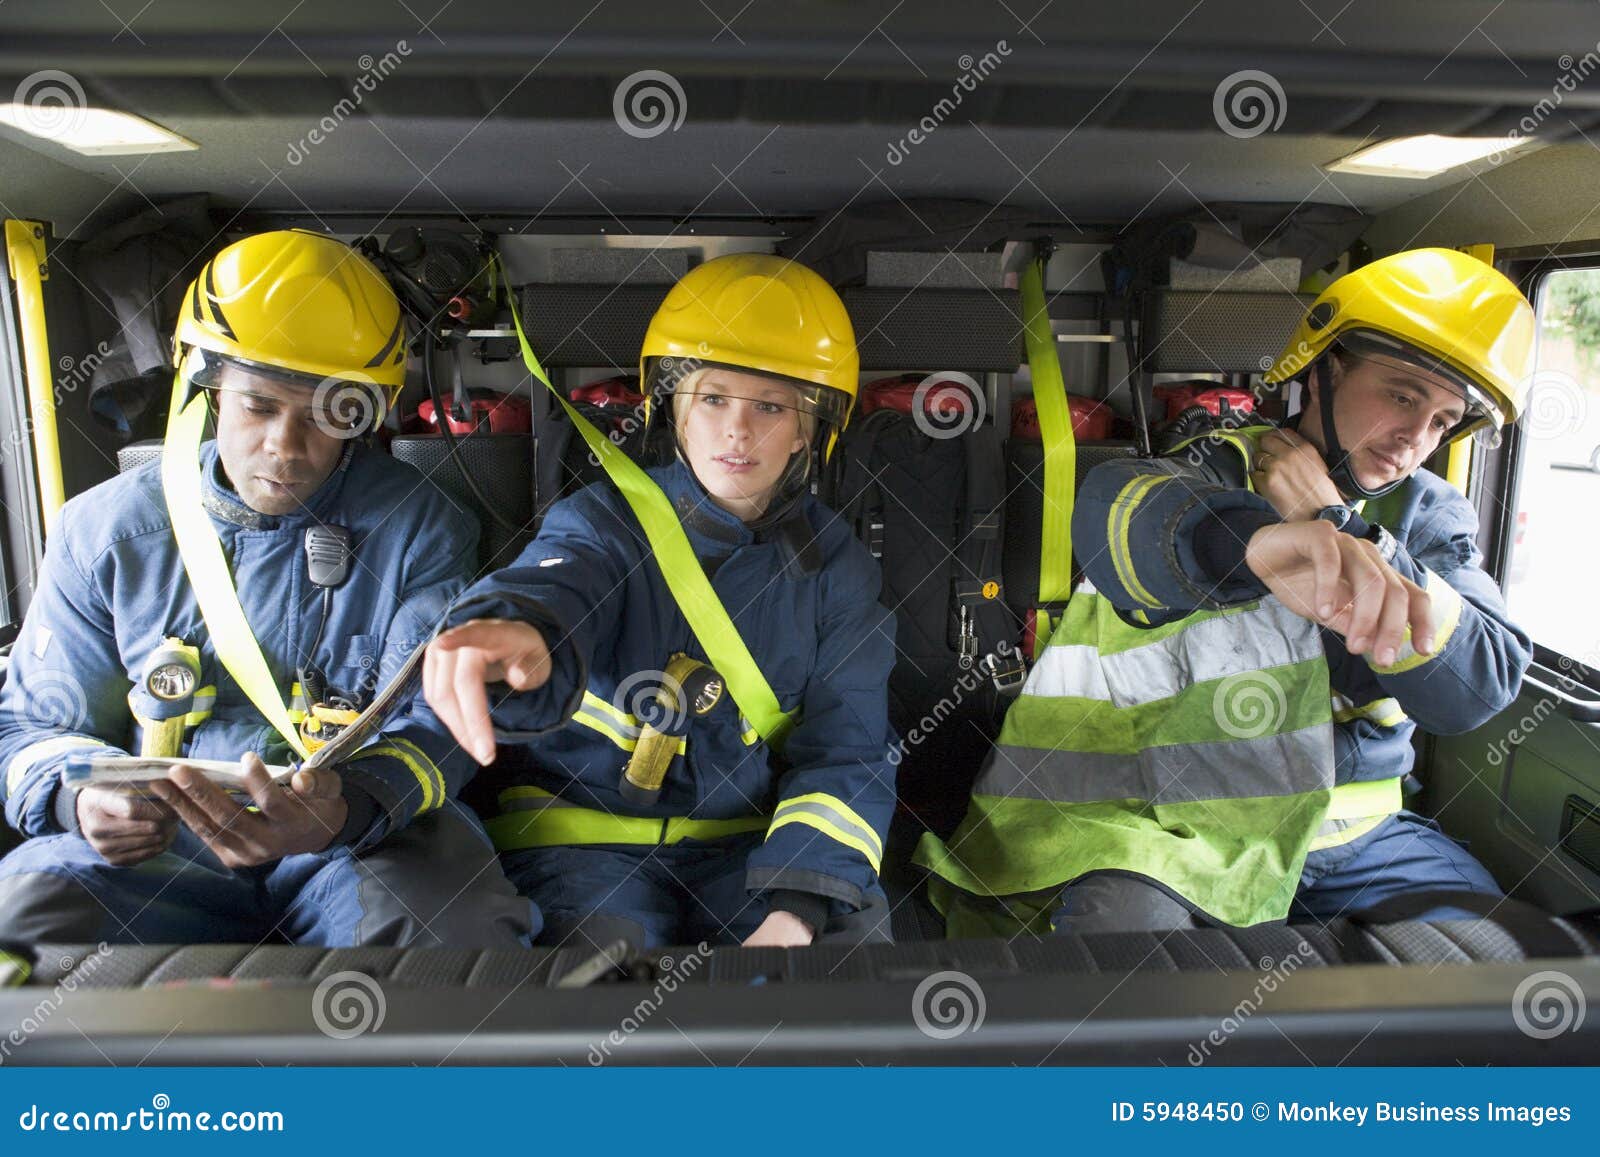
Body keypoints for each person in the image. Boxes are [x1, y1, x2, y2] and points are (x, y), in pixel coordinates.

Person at [917, 247, 1535, 936]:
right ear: (1327, 369)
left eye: (1443, 421)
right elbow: (1117, 513)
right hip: (1171, 826)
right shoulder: (1218, 462)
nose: (1414, 440)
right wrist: (1249, 543)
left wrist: (1340, 525)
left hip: (1357, 840)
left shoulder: (1430, 518)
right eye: (1401, 395)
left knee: (1491, 949)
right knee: (1128, 950)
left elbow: (1480, 684)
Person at [0, 229, 535, 947]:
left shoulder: (422, 527)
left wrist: (347, 809)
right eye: (258, 406)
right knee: (26, 921)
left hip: (356, 842)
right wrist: (77, 799)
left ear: (364, 415)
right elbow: (27, 728)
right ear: (209, 385)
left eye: (324, 412)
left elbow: (442, 722)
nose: (287, 444)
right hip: (162, 851)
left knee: (454, 931)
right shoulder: (102, 534)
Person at [423, 253, 897, 951]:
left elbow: (848, 753)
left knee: (843, 967)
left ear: (806, 430)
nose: (737, 431)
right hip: (581, 846)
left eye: (769, 406)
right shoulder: (605, 522)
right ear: (672, 409)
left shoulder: (838, 570)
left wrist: (796, 911)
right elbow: (558, 580)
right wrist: (520, 625)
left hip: (751, 853)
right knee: (600, 1002)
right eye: (712, 399)